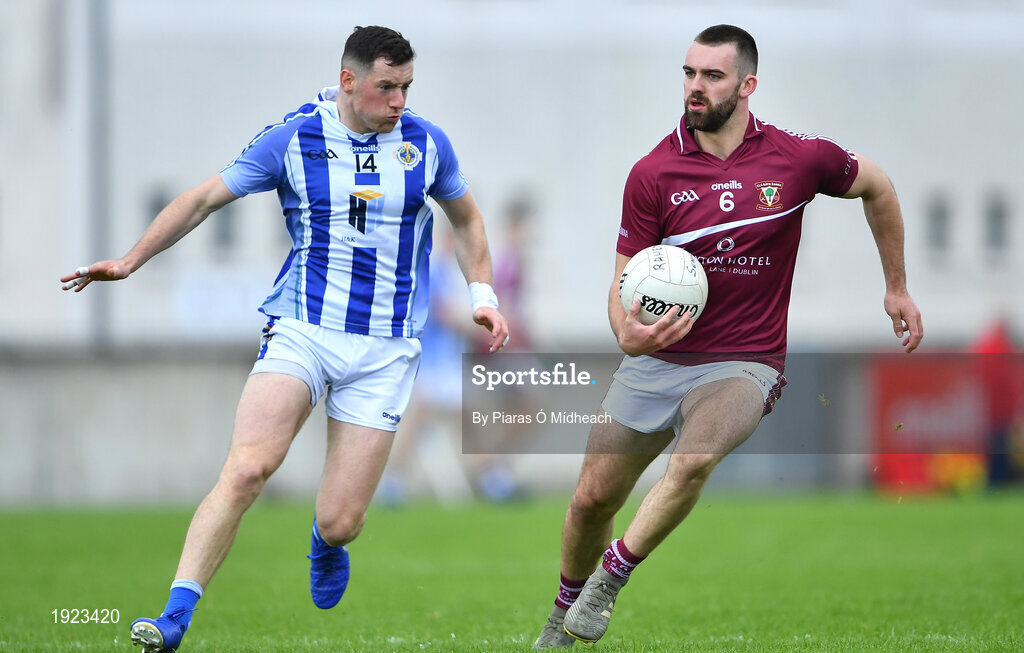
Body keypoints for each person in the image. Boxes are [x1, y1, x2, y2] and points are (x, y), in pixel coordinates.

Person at [60, 26, 508, 653]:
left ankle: (326, 543)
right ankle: (174, 616)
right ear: (348, 80)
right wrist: (131, 261)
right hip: (303, 329)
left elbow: (466, 217)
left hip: (386, 350)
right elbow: (201, 201)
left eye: (407, 87)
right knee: (248, 469)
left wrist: (482, 297)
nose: (400, 101)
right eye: (387, 87)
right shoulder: (294, 137)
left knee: (342, 519)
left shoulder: (427, 144)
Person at [532, 24, 923, 649]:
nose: (695, 87)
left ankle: (611, 578)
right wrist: (626, 333)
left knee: (693, 461)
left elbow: (876, 184)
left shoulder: (797, 158)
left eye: (711, 76)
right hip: (658, 359)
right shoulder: (653, 173)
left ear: (747, 85)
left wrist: (896, 286)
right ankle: (561, 613)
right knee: (588, 503)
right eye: (688, 73)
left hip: (745, 361)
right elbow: (622, 280)